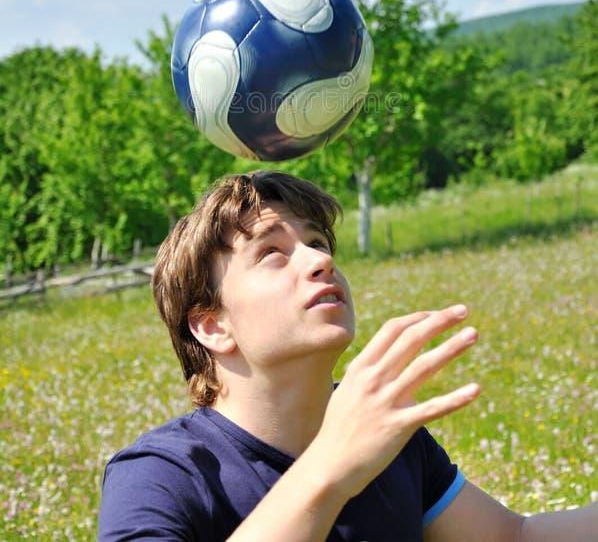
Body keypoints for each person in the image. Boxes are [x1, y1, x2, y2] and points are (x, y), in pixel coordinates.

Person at [98, 171, 597, 541]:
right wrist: (331, 467)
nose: (321, 259)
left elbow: (514, 537)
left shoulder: (388, 439)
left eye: (316, 242)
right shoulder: (161, 475)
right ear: (212, 324)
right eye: (273, 253)